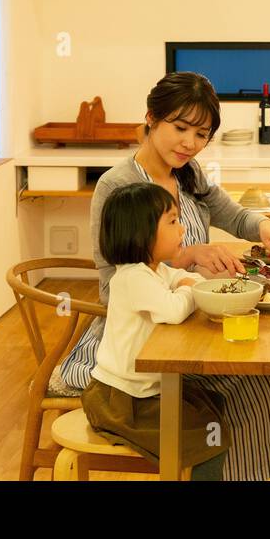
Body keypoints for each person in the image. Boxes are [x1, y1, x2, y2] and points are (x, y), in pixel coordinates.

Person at [59, 71, 270, 481]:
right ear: (152, 118)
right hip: (140, 336)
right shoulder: (120, 185)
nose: (189, 143)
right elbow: (112, 284)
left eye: (201, 134)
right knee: (246, 385)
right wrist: (186, 260)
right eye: (180, 127)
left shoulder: (189, 173)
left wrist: (268, 229)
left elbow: (234, 215)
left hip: (192, 316)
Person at [81, 181, 229, 480]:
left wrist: (186, 285)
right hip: (120, 401)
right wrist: (188, 290)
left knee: (216, 405)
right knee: (209, 437)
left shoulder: (155, 269)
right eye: (172, 221)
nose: (182, 229)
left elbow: (186, 279)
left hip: (143, 391)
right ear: (142, 231)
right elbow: (174, 310)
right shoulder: (133, 277)